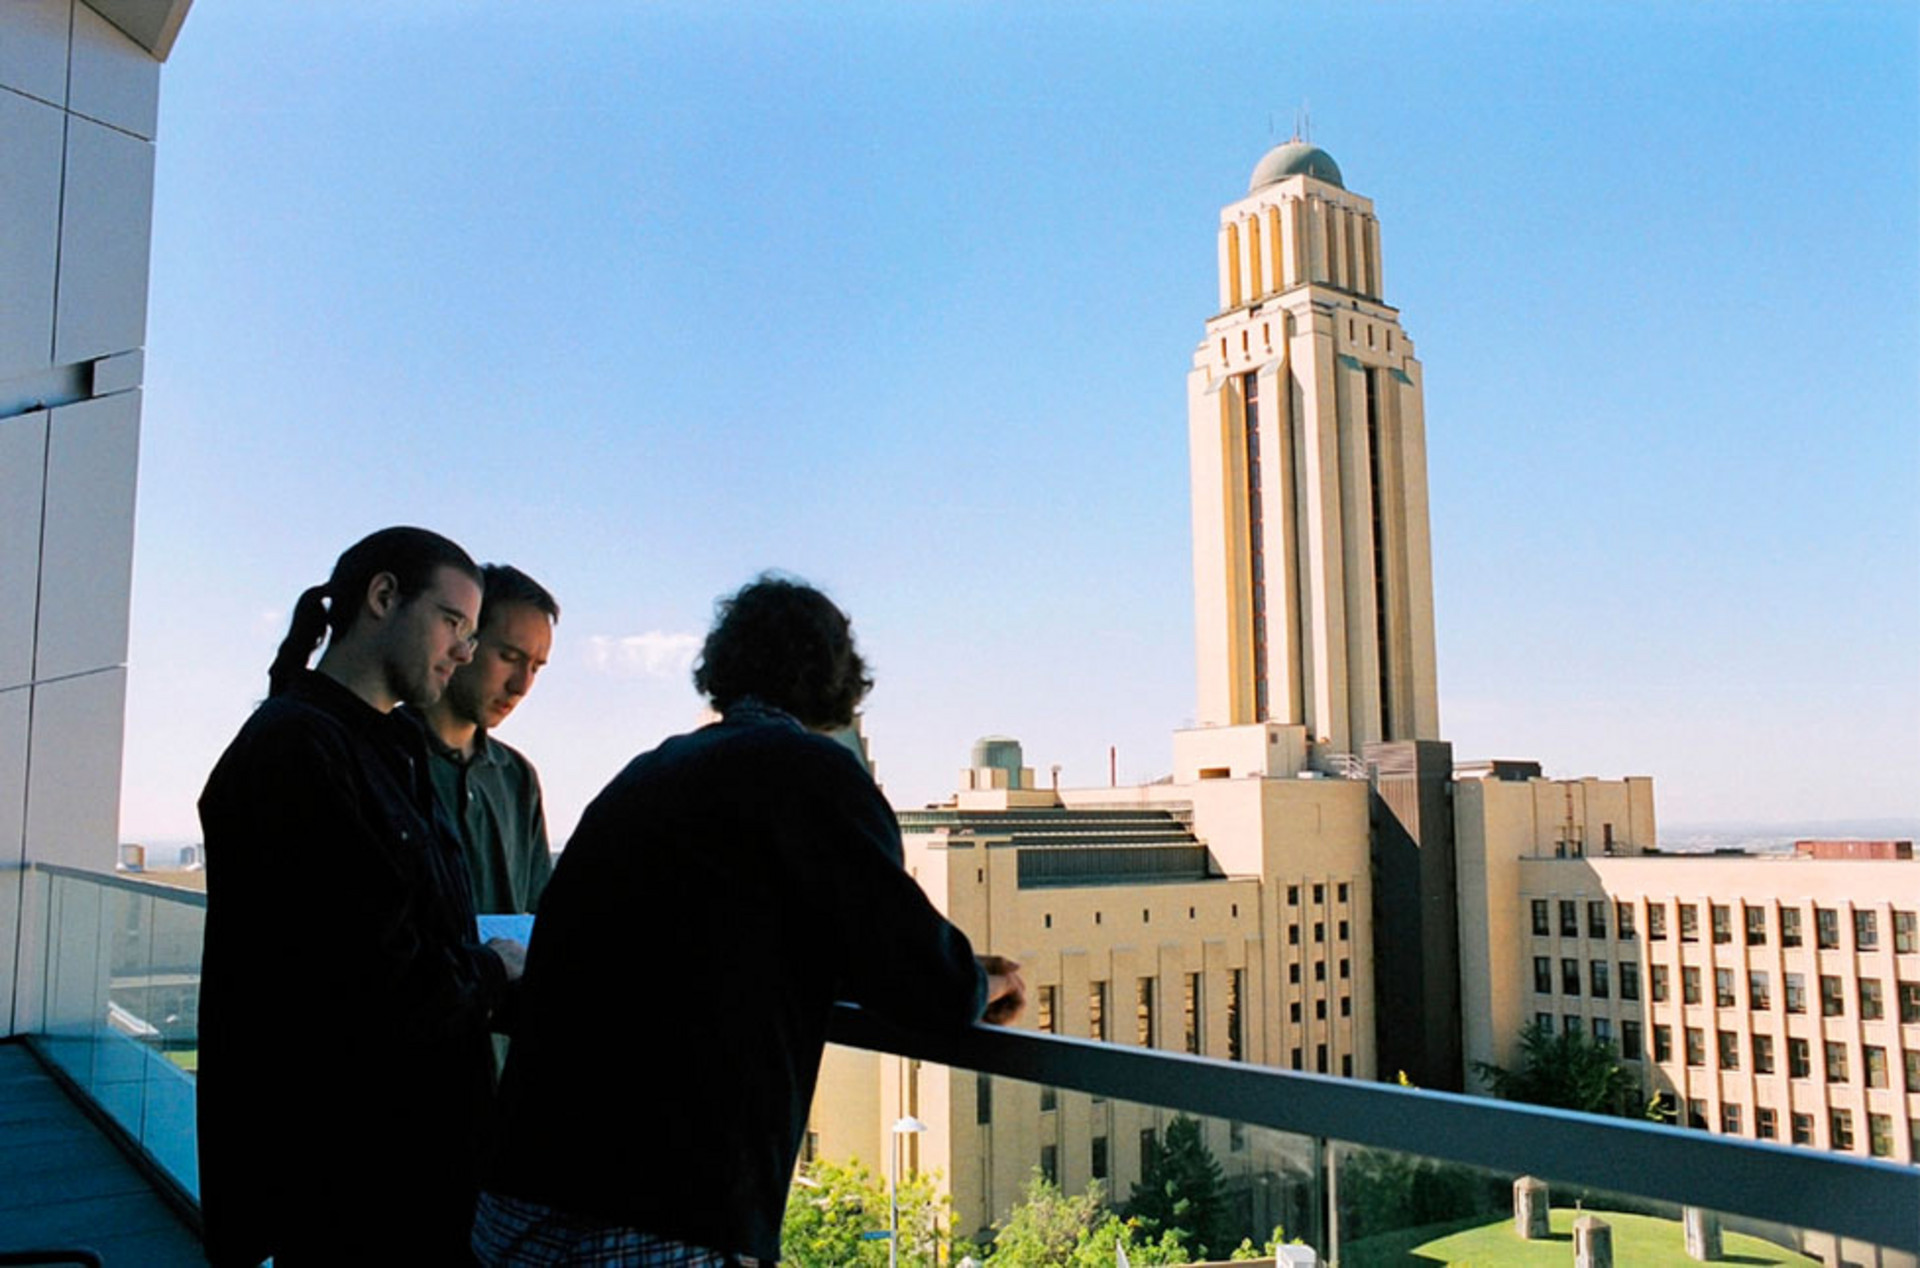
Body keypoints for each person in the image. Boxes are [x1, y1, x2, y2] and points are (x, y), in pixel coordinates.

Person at [474, 575, 1025, 1267]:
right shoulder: (816, 777)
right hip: (668, 1212)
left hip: (519, 1196)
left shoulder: (644, 774)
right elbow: (919, 980)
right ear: (839, 682)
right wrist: (988, 982)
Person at [197, 526, 526, 1267]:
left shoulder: (381, 747)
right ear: (382, 597)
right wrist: (496, 969)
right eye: (453, 622)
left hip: (408, 1173)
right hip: (359, 1187)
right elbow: (372, 983)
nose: (464, 652)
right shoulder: (296, 750)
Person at [408, 563, 560, 915]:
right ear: (463, 641)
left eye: (535, 667)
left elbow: (537, 910)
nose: (521, 685)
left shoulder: (516, 776)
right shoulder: (378, 753)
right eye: (509, 657)